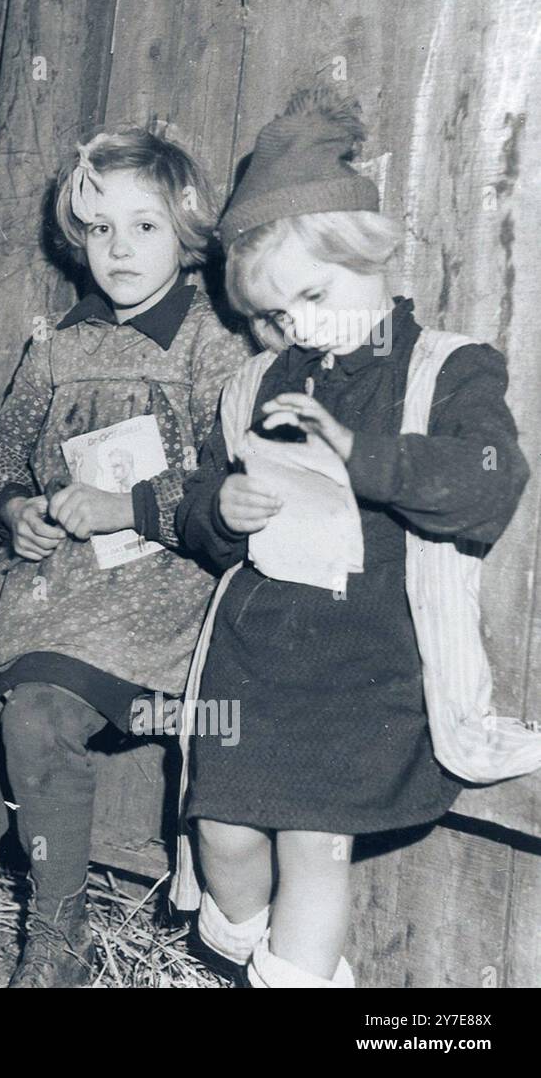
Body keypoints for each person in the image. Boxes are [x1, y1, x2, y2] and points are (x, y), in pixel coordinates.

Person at [0, 127, 253, 987]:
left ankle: (57, 945)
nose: (119, 250)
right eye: (99, 229)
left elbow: (237, 495)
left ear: (186, 233)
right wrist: (11, 511)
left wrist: (132, 505)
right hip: (45, 590)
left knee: (34, 716)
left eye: (143, 227)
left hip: (155, 595)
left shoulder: (212, 345)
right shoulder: (58, 346)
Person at [174, 89, 530, 988]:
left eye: (316, 294)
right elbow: (198, 510)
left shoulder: (452, 368)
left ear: (369, 250)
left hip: (371, 659)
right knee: (220, 831)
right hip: (253, 655)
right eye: (277, 313)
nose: (302, 327)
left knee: (314, 846)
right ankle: (233, 960)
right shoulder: (255, 386)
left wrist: (359, 454)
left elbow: (489, 485)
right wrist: (221, 512)